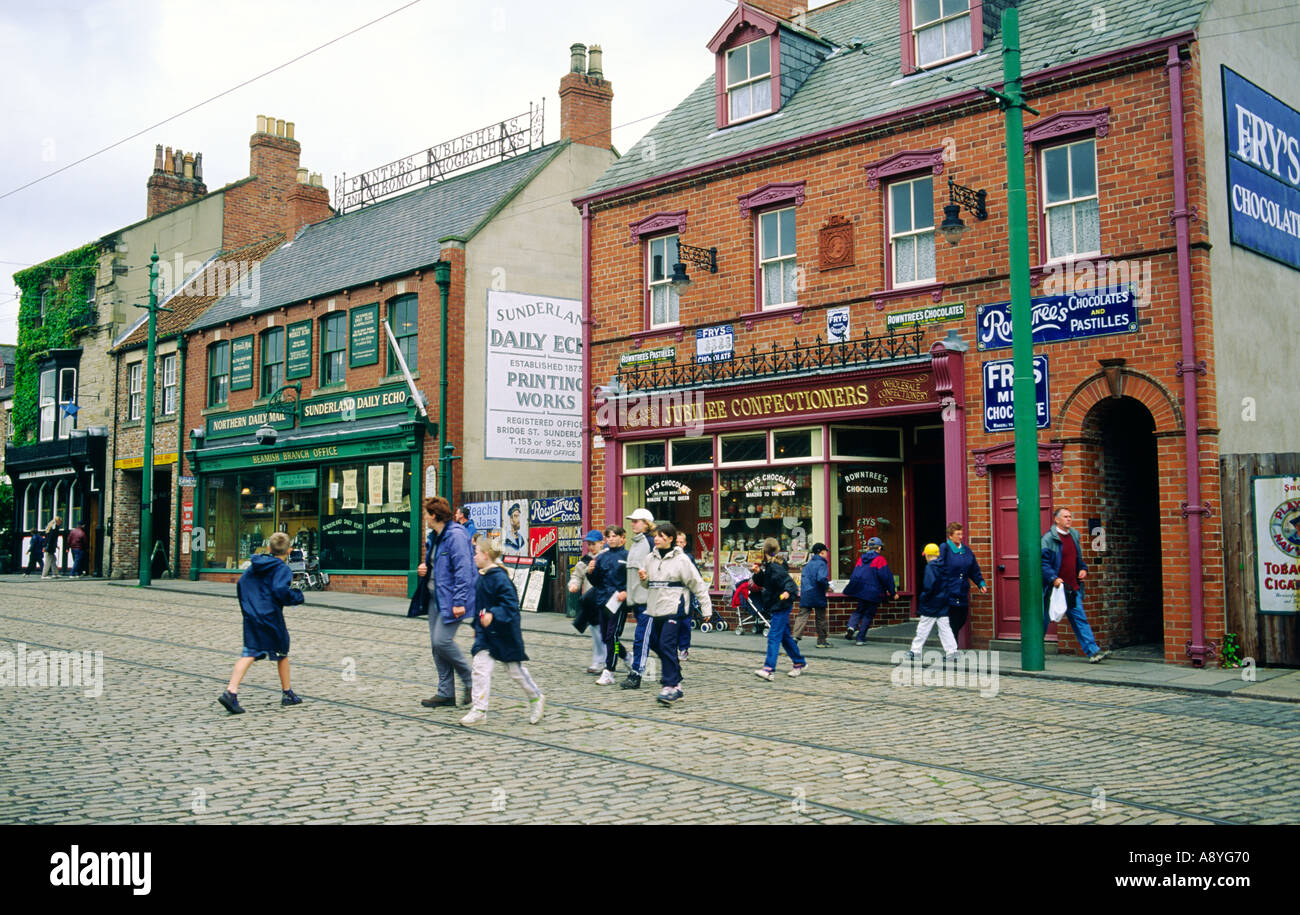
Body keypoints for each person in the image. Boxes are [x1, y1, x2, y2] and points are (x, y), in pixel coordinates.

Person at [217, 531, 305, 713]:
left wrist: (248, 607)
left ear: (268, 548)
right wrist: (296, 596)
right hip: (271, 616)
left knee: (249, 652)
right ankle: (287, 693)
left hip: (253, 614)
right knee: (282, 651)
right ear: (288, 551)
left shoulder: (255, 565)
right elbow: (281, 591)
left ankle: (231, 691)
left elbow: (242, 585)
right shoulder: (282, 569)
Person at [461, 538, 545, 726]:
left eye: (476, 552)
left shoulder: (499, 578)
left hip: (504, 633)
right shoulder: (482, 576)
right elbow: (480, 606)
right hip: (486, 634)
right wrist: (477, 626)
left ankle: (536, 697)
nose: (474, 556)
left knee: (515, 670)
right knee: (480, 669)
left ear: (485, 555)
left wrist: (493, 615)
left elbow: (511, 606)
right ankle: (479, 709)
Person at [408, 497, 477, 708]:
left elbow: (464, 570)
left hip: (451, 599)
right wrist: (424, 568)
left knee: (442, 641)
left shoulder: (455, 535)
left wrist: (459, 601)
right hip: (434, 597)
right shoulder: (436, 536)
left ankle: (471, 680)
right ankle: (446, 692)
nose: (425, 518)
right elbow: (437, 565)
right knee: (436, 647)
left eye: (427, 514)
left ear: (435, 515)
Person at [638, 522, 712, 706]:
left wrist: (706, 608)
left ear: (671, 539)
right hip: (655, 609)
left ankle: (669, 686)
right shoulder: (650, 559)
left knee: (667, 644)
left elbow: (697, 584)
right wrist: (644, 580)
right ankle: (677, 682)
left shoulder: (682, 560)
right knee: (656, 643)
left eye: (661, 536)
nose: (657, 539)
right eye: (656, 535)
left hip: (675, 609)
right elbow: (648, 585)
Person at [1042, 507, 1110, 663]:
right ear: (1056, 520)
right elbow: (1043, 563)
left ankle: (1093, 652)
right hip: (1054, 589)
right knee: (1044, 620)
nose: (1069, 519)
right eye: (1065, 517)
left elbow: (1077, 558)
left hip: (1072, 587)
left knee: (1080, 619)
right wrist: (1054, 578)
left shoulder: (1073, 536)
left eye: (1070, 516)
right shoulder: (1048, 539)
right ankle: (1036, 651)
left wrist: (1083, 569)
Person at [753, 538, 807, 680]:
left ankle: (769, 669)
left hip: (781, 605)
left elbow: (790, 583)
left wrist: (787, 592)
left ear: (764, 551)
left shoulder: (775, 567)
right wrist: (758, 573)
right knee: (784, 637)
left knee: (773, 636)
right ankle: (799, 662)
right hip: (778, 604)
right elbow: (767, 582)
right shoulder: (772, 565)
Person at [617, 508, 655, 690]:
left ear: (646, 523)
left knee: (641, 638)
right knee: (654, 640)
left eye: (636, 521)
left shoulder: (649, 543)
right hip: (636, 600)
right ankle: (674, 671)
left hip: (648, 601)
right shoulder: (635, 544)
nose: (632, 523)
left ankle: (636, 674)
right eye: (632, 520)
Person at [588, 526, 629, 684]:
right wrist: (590, 572)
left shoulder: (627, 556)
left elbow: (633, 580)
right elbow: (596, 581)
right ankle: (625, 655)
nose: (611, 539)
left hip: (618, 602)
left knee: (613, 635)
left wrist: (626, 592)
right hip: (603, 601)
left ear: (621, 538)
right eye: (609, 536)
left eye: (614, 536)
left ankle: (609, 670)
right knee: (606, 637)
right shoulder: (602, 557)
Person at [905, 543, 956, 660]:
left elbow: (929, 585)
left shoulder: (930, 567)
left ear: (927, 555)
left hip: (931, 603)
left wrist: (923, 597)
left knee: (923, 628)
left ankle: (915, 651)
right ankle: (952, 652)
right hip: (943, 602)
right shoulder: (945, 566)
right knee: (945, 629)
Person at [842, 537, 896, 644]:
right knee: (868, 615)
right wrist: (892, 592)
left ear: (868, 547)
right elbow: (886, 577)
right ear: (879, 548)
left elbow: (855, 574)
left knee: (859, 610)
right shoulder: (880, 560)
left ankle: (851, 627)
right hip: (874, 591)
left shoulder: (861, 558)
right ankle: (860, 638)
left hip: (860, 590)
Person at [569, 529, 608, 673]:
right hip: (591, 601)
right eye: (589, 544)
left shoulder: (607, 557)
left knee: (606, 633)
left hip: (605, 600)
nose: (591, 547)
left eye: (593, 544)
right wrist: (574, 585)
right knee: (595, 631)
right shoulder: (585, 560)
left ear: (601, 543)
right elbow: (577, 575)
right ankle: (599, 661)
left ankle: (614, 658)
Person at [938, 522, 987, 636]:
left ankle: (945, 636)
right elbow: (938, 567)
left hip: (962, 592)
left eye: (961, 534)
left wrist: (980, 583)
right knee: (953, 624)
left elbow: (974, 569)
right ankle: (951, 651)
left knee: (961, 620)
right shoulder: (944, 548)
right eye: (958, 534)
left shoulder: (967, 551)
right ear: (950, 536)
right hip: (948, 592)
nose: (961, 537)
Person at [793, 542, 832, 648]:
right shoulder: (822, 563)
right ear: (822, 552)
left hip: (806, 593)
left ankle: (795, 637)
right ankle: (822, 641)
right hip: (817, 593)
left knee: (802, 616)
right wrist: (827, 586)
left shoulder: (808, 564)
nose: (826, 554)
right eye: (825, 552)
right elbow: (821, 578)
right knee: (821, 617)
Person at [674, 530, 699, 661]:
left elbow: (696, 577)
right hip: (672, 596)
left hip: (686, 595)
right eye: (676, 542)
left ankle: (683, 648)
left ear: (685, 544)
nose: (678, 544)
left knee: (684, 623)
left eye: (681, 542)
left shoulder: (688, 558)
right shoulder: (669, 556)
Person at [41, 516, 62, 580]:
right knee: (48, 561)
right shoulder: (54, 528)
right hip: (50, 546)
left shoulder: (52, 527)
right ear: (57, 521)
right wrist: (46, 546)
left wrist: (55, 545)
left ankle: (55, 573)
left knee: (53, 560)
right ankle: (44, 575)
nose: (60, 523)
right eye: (60, 521)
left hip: (50, 546)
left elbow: (50, 538)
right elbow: (50, 538)